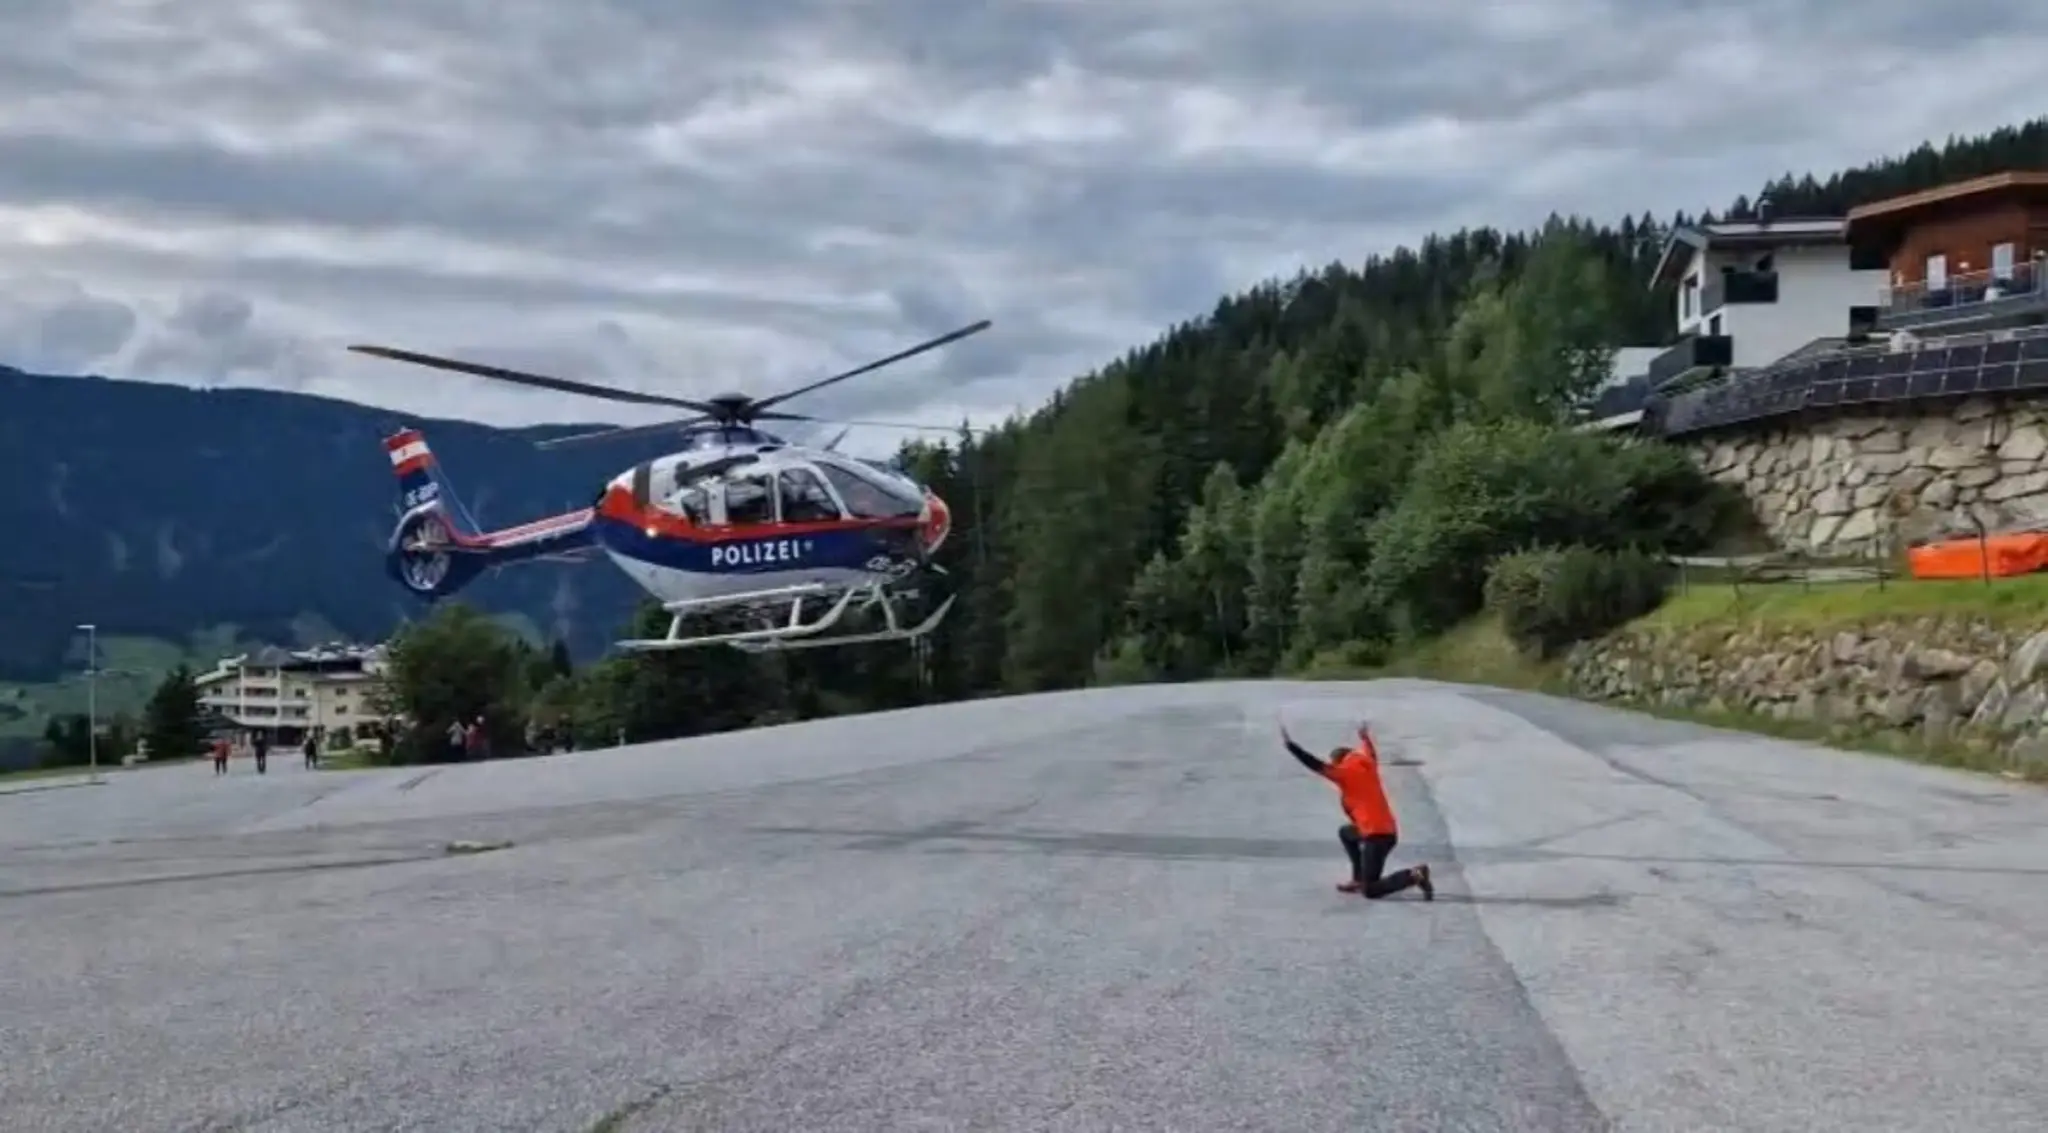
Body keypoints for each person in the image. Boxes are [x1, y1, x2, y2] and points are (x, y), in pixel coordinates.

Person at [1281, 719, 1432, 900]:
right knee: (1346, 833)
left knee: (1371, 890)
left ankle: (1414, 875)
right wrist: (1364, 736)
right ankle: (1358, 879)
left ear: (1338, 762)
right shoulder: (1368, 763)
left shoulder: (1344, 773)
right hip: (1385, 829)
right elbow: (1370, 750)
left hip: (1376, 836)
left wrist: (1292, 747)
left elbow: (1316, 764)